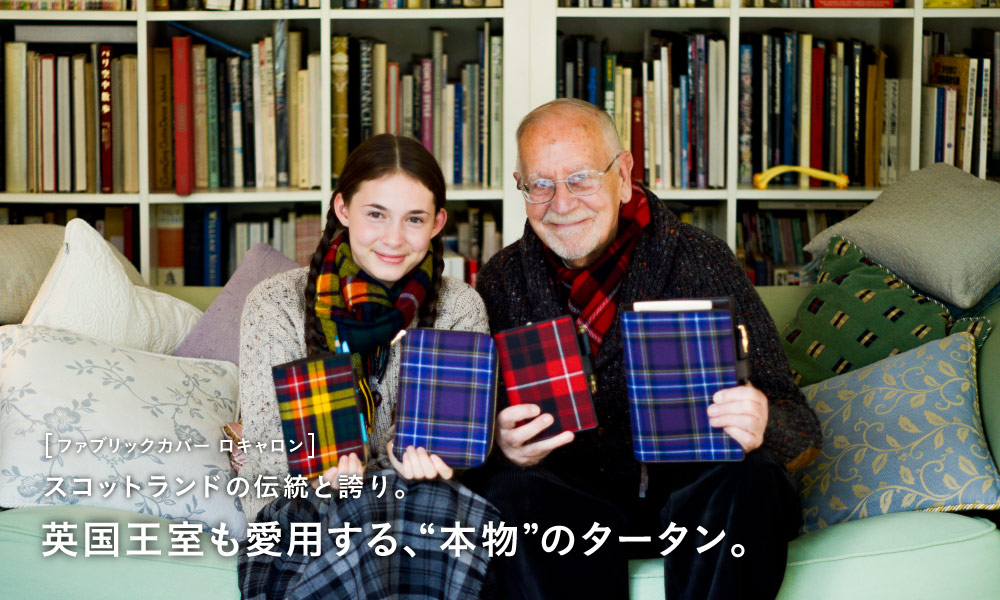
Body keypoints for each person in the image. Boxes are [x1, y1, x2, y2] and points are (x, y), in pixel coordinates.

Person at [465, 99, 823, 600]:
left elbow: (800, 428)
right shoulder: (501, 281)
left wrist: (763, 421)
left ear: (623, 174)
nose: (561, 203)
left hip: (694, 503)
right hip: (572, 514)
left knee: (753, 480)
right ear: (520, 186)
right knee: (507, 491)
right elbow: (466, 446)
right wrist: (501, 446)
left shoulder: (702, 259)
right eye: (540, 184)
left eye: (581, 178)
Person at [237, 134, 499, 599]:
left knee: (417, 503)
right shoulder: (276, 304)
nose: (393, 238)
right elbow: (267, 463)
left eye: (414, 219)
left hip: (420, 507)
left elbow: (461, 455)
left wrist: (405, 460)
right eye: (376, 214)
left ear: (438, 222)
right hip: (298, 515)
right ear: (342, 209)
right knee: (369, 509)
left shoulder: (460, 308)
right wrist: (328, 480)